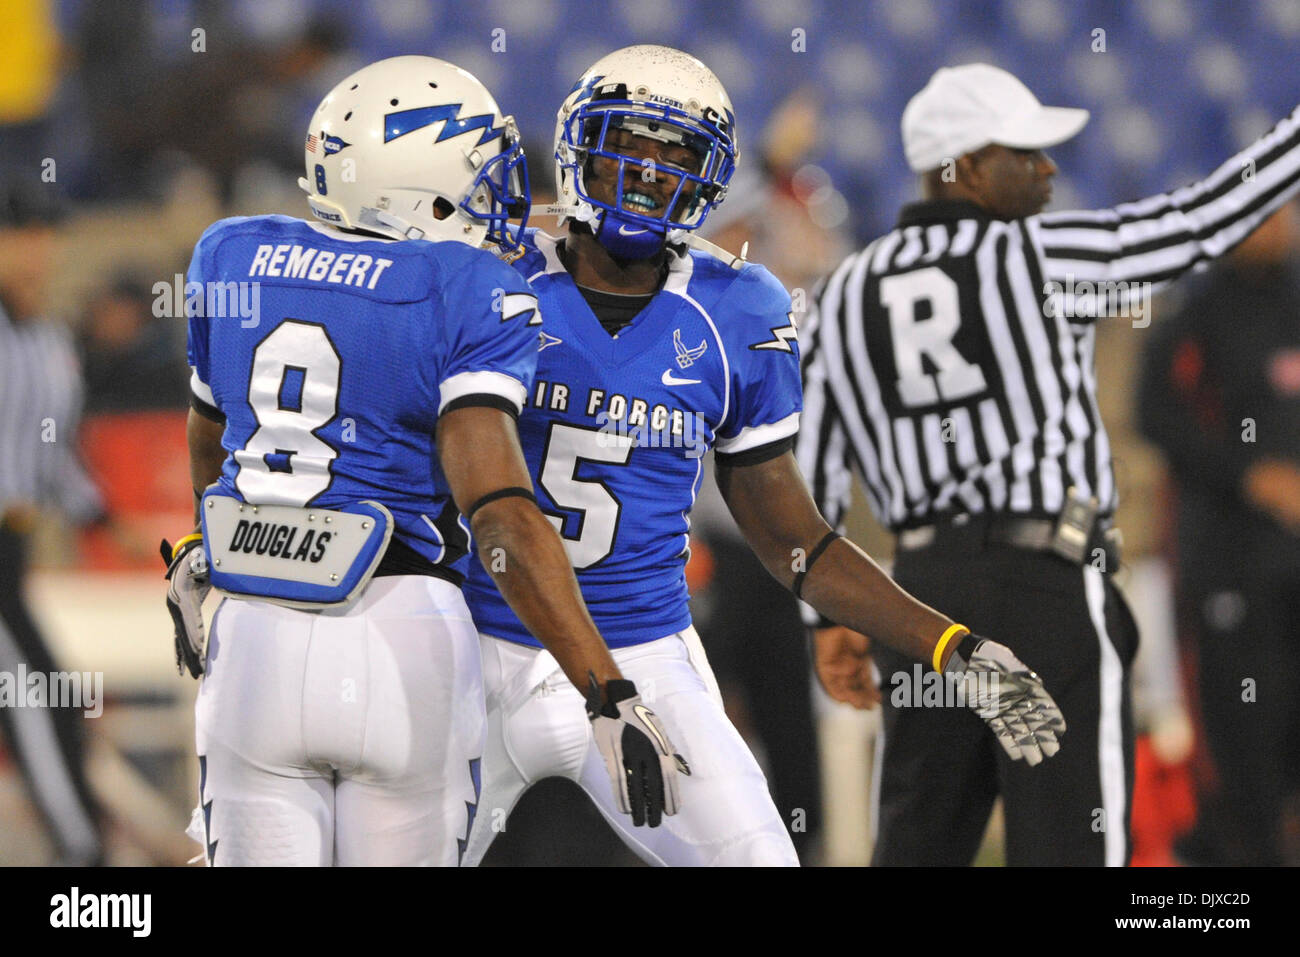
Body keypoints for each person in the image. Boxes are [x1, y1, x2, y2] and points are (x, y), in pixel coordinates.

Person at [460, 45, 1064, 869]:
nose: (646, 175)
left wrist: (949, 644)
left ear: (708, 179)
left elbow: (797, 540)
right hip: (471, 634)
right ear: (580, 149)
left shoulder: (737, 307)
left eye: (675, 157)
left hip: (641, 648)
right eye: (629, 145)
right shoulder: (490, 268)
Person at [164, 55, 684, 867]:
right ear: (413, 178)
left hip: (252, 640)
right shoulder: (465, 282)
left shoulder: (231, 253)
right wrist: (605, 688)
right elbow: (502, 512)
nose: (500, 198)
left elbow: (208, 432)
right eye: (480, 174)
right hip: (398, 639)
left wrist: (203, 540)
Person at [796, 62, 1300, 866]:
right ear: (961, 165)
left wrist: (829, 617)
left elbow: (809, 481)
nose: (1048, 167)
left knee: (916, 852)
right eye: (1024, 150)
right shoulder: (1043, 256)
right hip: (1049, 587)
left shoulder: (835, 296)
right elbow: (1205, 219)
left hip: (917, 603)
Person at [1138, 202, 1300, 865]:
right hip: (1231, 571)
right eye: (1260, 213)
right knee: (1240, 753)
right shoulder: (1192, 321)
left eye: (1285, 209)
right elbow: (1157, 417)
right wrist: (1253, 473)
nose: (1275, 225)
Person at [0, 184, 105, 865]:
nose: (36, 248)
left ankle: (83, 848)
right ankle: (84, 860)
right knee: (34, 698)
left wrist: (102, 514)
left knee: (52, 697)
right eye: (20, 233)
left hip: (12, 556)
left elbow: (51, 451)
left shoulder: (44, 334)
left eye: (42, 232)